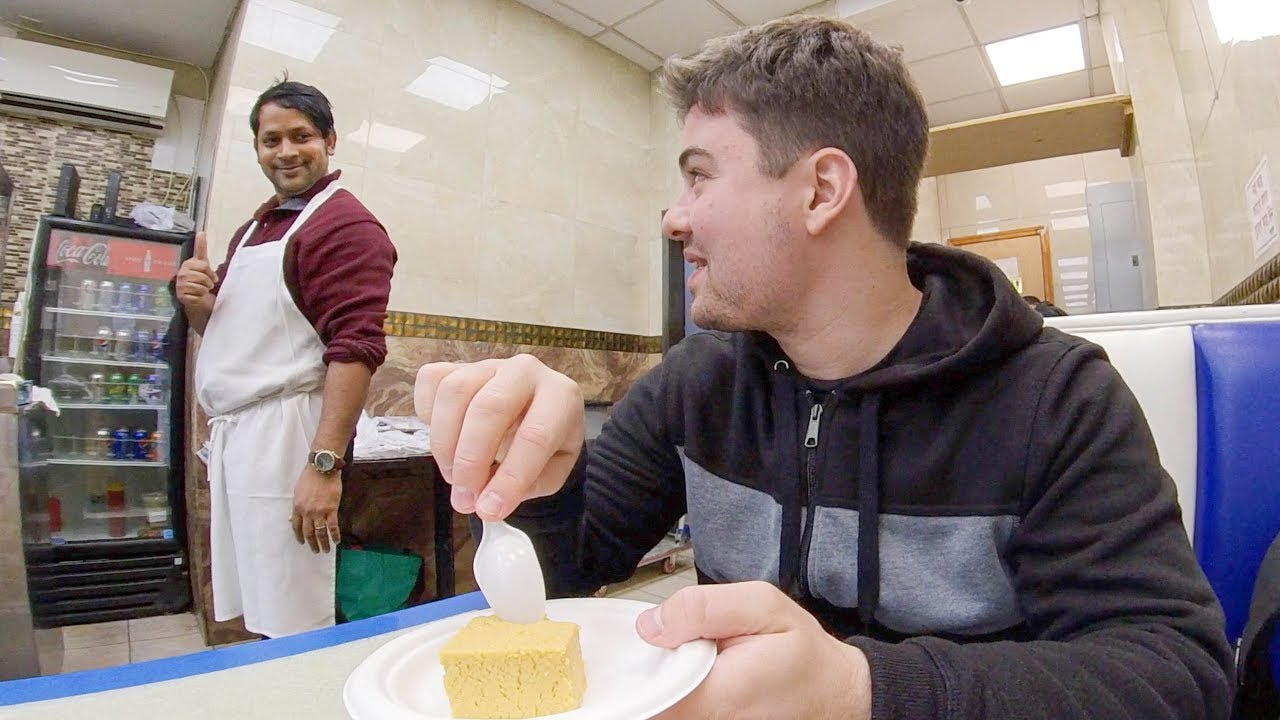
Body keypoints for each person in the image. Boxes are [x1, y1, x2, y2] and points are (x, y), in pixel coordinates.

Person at [414, 16, 1231, 720]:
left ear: (820, 192)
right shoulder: (697, 385)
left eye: (700, 175)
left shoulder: (1056, 399)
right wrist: (543, 483)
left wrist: (861, 688)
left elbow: (1178, 677)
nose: (674, 216)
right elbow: (559, 580)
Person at [176, 79, 396, 638]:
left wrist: (323, 466)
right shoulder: (257, 226)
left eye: (302, 136)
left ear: (330, 141)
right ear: (257, 149)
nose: (287, 151)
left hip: (289, 439)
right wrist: (199, 305)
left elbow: (356, 346)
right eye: (271, 140)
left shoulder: (344, 226)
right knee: (263, 600)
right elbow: (240, 339)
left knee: (298, 609)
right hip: (242, 441)